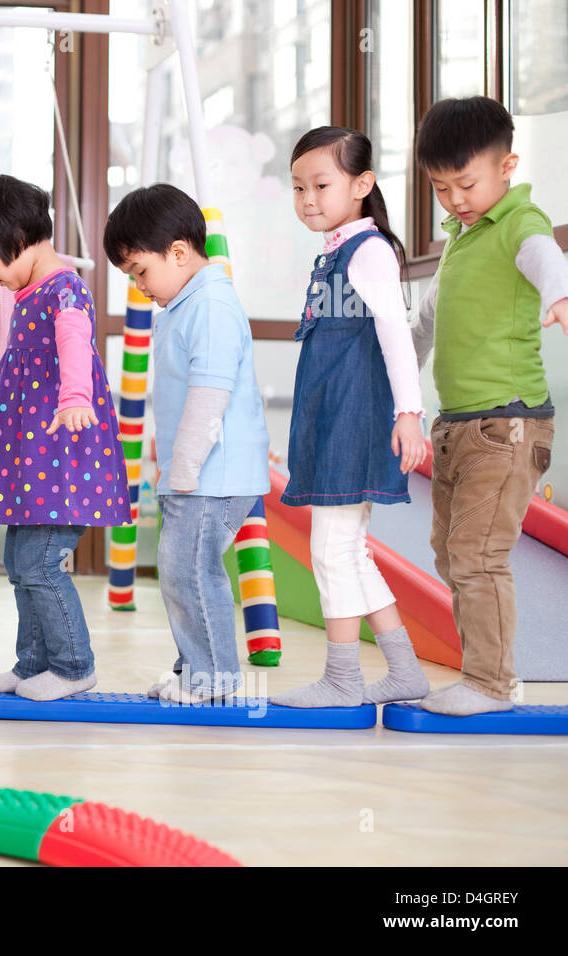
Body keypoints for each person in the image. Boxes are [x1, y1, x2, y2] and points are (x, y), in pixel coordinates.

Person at [412, 96, 568, 715]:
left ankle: (491, 684)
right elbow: (427, 321)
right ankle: (483, 673)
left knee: (478, 556)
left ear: (507, 167)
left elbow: (545, 258)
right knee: (450, 555)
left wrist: (560, 297)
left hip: (507, 423)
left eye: (466, 184)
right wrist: (391, 372)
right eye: (440, 188)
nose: (454, 200)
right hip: (455, 425)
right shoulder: (460, 239)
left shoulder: (519, 222)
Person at [268, 126, 431, 708]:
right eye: (298, 187)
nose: (308, 199)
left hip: (354, 418)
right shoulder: (337, 251)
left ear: (362, 185)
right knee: (350, 550)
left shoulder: (369, 251)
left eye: (321, 185)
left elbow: (395, 336)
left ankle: (342, 680)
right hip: (333, 414)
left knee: (332, 550)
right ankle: (405, 673)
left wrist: (409, 413)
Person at [0, 174, 128, 701]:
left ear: (14, 236)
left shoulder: (65, 288)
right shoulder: (29, 293)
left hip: (61, 460)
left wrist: (75, 397)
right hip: (34, 458)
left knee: (39, 562)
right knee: (20, 563)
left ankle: (74, 667)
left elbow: (74, 344)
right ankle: (31, 665)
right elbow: (19, 360)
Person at [104, 184, 269, 703]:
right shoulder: (184, 304)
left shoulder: (211, 305)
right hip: (196, 472)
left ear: (178, 252)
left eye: (140, 271)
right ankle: (194, 666)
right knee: (181, 571)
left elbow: (209, 395)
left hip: (211, 475)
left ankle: (212, 676)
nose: (139, 286)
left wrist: (185, 467)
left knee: (190, 572)